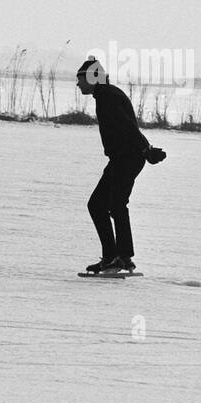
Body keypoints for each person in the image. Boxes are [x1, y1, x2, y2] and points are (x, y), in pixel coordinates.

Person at [76, 58, 152, 275]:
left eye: (80, 79)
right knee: (101, 205)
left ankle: (119, 258)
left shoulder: (108, 96)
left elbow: (128, 126)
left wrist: (146, 150)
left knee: (112, 205)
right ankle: (117, 257)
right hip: (123, 157)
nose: (78, 84)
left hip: (127, 158)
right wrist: (145, 149)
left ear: (92, 77)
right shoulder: (106, 95)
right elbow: (127, 125)